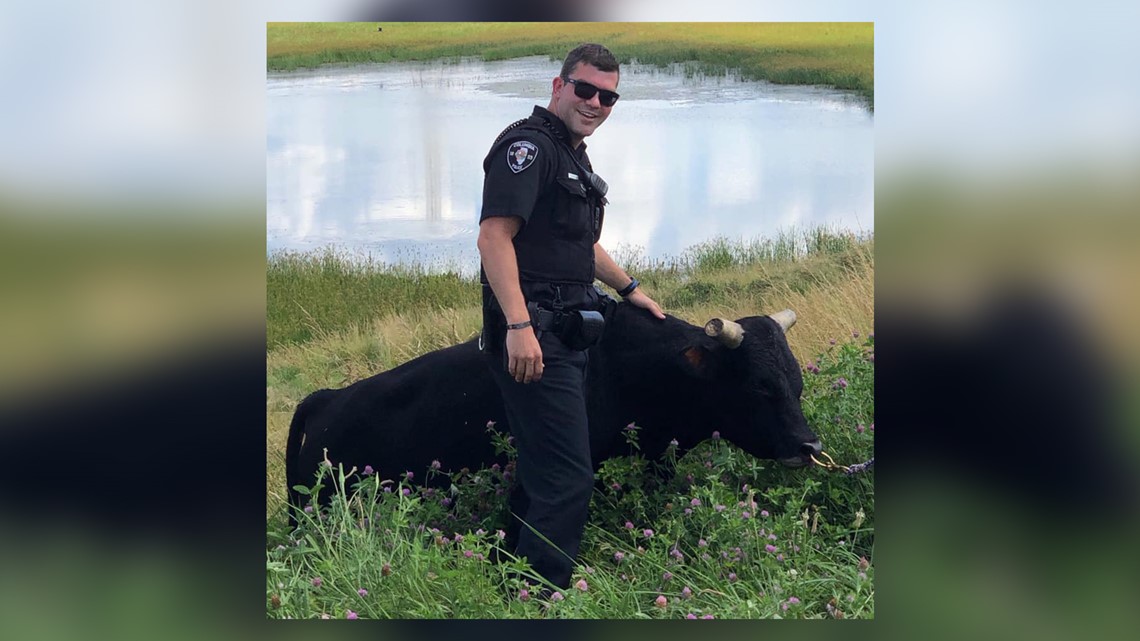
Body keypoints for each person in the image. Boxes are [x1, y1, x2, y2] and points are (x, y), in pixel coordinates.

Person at [476, 43, 666, 591]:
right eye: (585, 90)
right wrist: (518, 327)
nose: (596, 103)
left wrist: (631, 290)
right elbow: (494, 237)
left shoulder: (573, 152)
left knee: (544, 471)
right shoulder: (529, 149)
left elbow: (579, 244)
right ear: (558, 87)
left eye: (609, 96)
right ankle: (538, 598)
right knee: (569, 480)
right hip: (536, 336)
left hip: (565, 331)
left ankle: (508, 579)